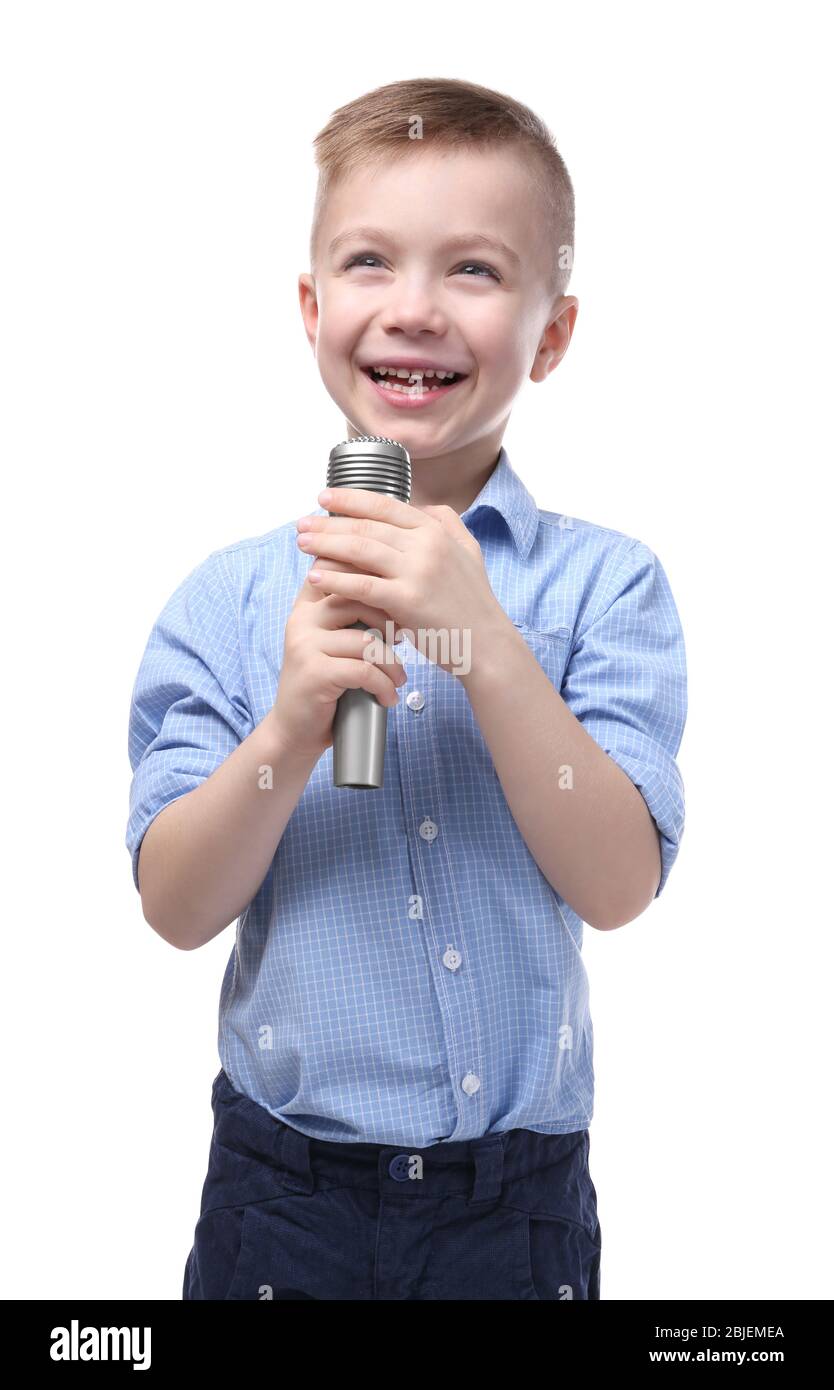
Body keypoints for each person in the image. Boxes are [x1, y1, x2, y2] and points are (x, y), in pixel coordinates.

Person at [126, 76, 687, 1301]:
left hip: (512, 1204)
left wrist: (485, 638)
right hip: (285, 1197)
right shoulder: (227, 602)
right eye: (371, 262)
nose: (415, 309)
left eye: (475, 271)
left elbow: (618, 882)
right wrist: (286, 727)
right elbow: (173, 904)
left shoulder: (607, 587)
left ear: (551, 334)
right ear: (313, 305)